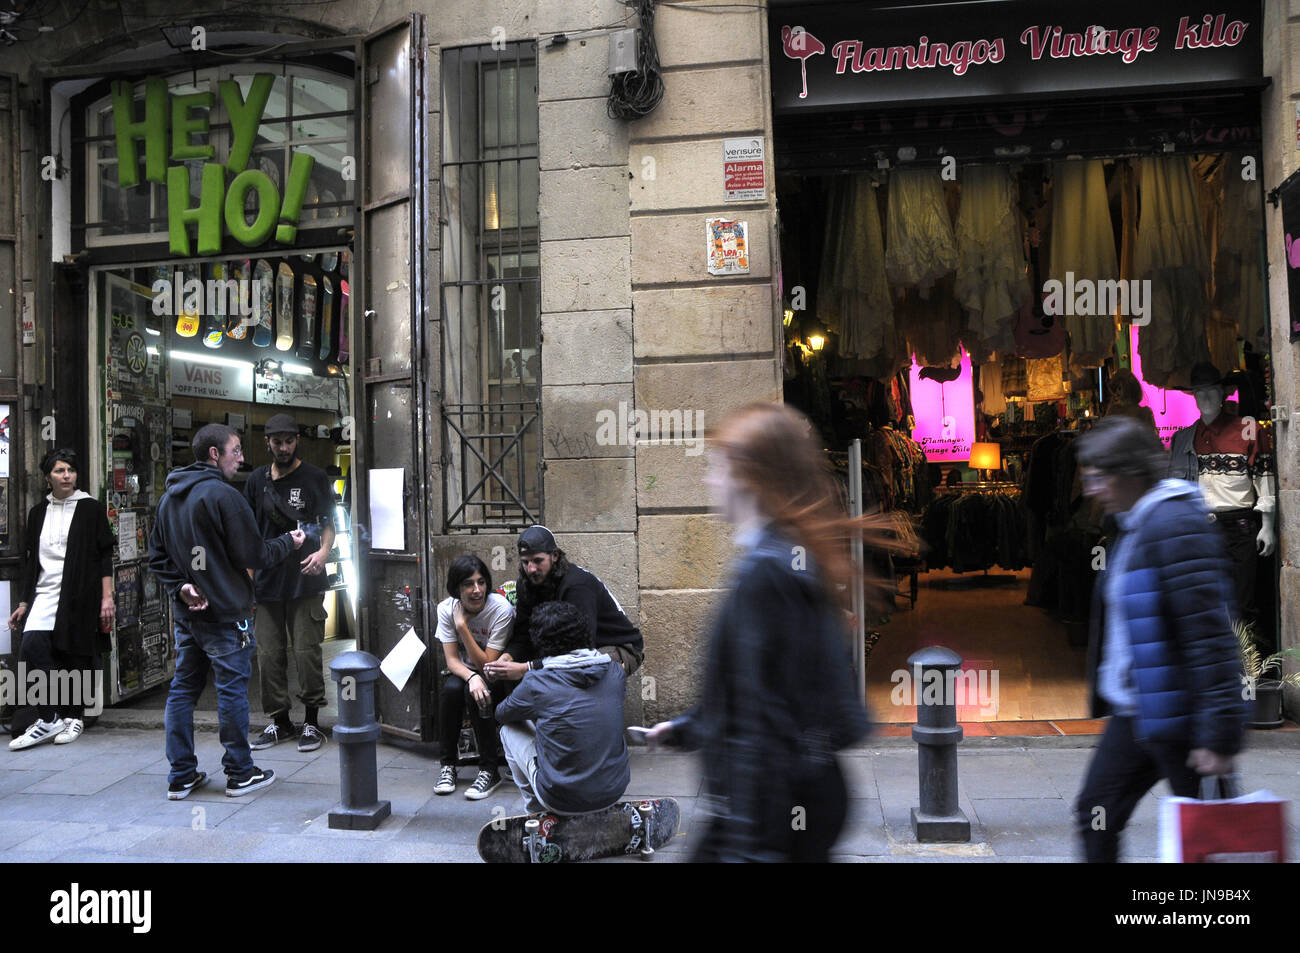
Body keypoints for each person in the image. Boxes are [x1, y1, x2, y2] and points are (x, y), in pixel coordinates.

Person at [644, 402, 878, 862]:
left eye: (717, 466)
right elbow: (773, 686)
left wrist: (750, 846)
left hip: (772, 814)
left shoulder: (767, 572)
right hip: (798, 802)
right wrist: (690, 726)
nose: (709, 479)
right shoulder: (786, 555)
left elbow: (765, 723)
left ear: (748, 477)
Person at [1075, 414, 1247, 862]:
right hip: (1141, 713)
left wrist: (1219, 736)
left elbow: (1210, 636)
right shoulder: (1135, 525)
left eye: (1098, 476)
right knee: (1095, 812)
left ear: (1131, 472)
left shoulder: (1176, 526)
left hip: (1184, 719)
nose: (1091, 489)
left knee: (1211, 841)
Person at [148, 424, 305, 800]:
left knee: (182, 690)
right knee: (231, 691)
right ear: (215, 454)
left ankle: (181, 775)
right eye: (236, 450)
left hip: (189, 617)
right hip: (227, 615)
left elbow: (158, 556)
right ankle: (239, 772)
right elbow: (255, 555)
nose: (242, 458)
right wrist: (290, 541)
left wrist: (182, 587)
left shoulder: (170, 498)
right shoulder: (223, 496)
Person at [7, 449, 114, 750]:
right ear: (47, 477)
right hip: (45, 591)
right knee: (32, 646)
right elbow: (32, 562)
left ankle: (75, 717)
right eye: (59, 471)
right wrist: (25, 603)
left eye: (70, 470)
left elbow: (105, 553)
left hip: (81, 591)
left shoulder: (91, 508)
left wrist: (107, 598)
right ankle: (49, 718)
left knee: (76, 654)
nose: (66, 475)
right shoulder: (37, 512)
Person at [243, 413, 337, 753]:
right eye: (277, 441)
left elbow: (329, 524)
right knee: (268, 655)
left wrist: (324, 553)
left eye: (289, 441)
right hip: (267, 582)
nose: (283, 447)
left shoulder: (314, 477)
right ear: (267, 442)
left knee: (306, 652)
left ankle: (312, 721)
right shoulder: (255, 481)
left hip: (305, 579)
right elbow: (250, 536)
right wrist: (247, 583)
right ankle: (279, 721)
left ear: (297, 440)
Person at [495, 601, 629, 814]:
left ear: (539, 641)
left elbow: (502, 714)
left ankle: (536, 814)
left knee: (508, 730)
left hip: (559, 799)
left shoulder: (536, 682)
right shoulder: (615, 672)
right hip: (615, 791)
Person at [483, 526, 643, 683]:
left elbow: (582, 651)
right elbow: (523, 634)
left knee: (578, 674)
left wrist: (528, 668)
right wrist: (507, 658)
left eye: (538, 561)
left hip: (615, 648)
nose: (531, 569)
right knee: (511, 674)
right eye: (525, 562)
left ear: (554, 556)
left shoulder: (577, 586)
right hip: (564, 650)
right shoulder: (525, 584)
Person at [433, 554, 514, 799]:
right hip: (467, 672)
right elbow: (452, 661)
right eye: (468, 584)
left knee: (477, 693)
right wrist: (471, 677)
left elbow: (487, 663)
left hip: (498, 673)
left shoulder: (501, 609)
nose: (476, 590)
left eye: (481, 582)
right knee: (452, 689)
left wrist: (462, 628)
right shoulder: (446, 609)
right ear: (457, 588)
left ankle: (490, 769)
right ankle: (448, 765)